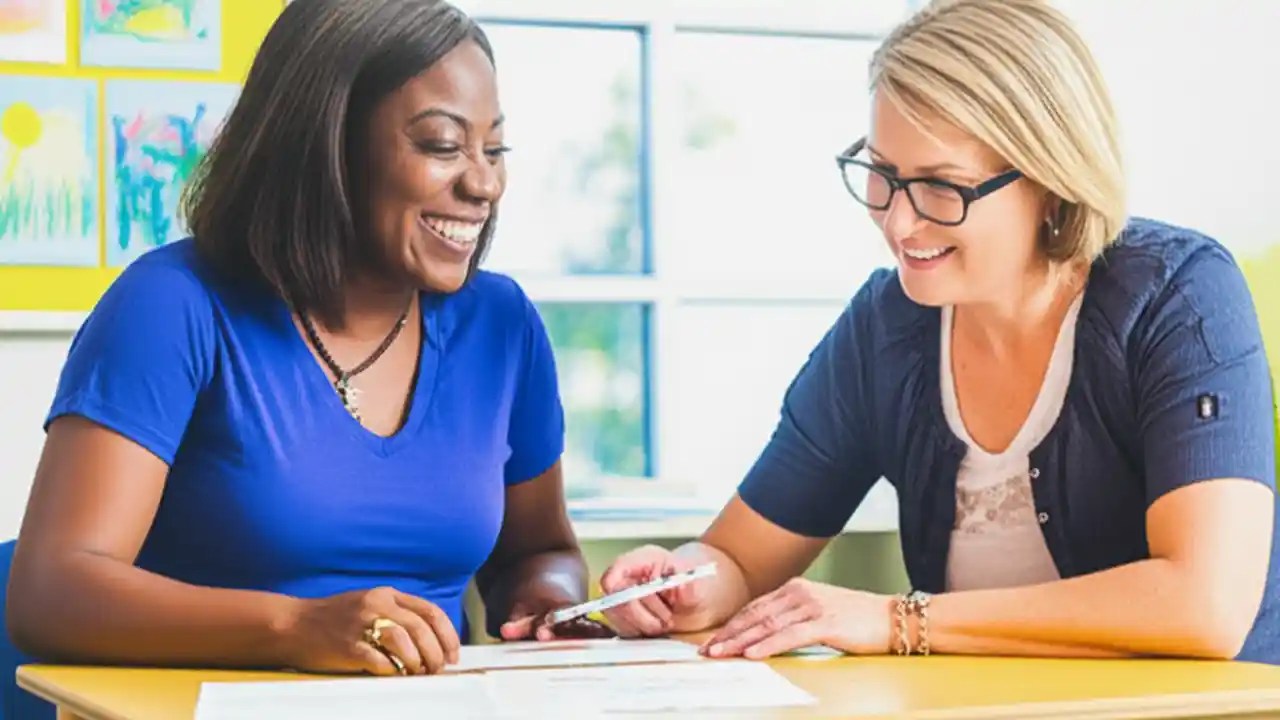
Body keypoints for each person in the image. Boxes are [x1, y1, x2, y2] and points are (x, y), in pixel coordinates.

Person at [602, 0, 1280, 663]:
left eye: (941, 187)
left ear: (1051, 179)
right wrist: (684, 584)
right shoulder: (884, 330)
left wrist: (898, 620)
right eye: (882, 175)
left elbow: (1205, 605)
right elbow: (740, 559)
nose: (898, 223)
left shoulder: (1181, 297)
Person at [3, 0, 611, 706]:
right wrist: (294, 628)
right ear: (326, 145)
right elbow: (51, 591)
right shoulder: (172, 305)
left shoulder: (500, 325)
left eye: (494, 150)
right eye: (443, 146)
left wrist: (549, 604)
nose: (484, 184)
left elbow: (537, 552)